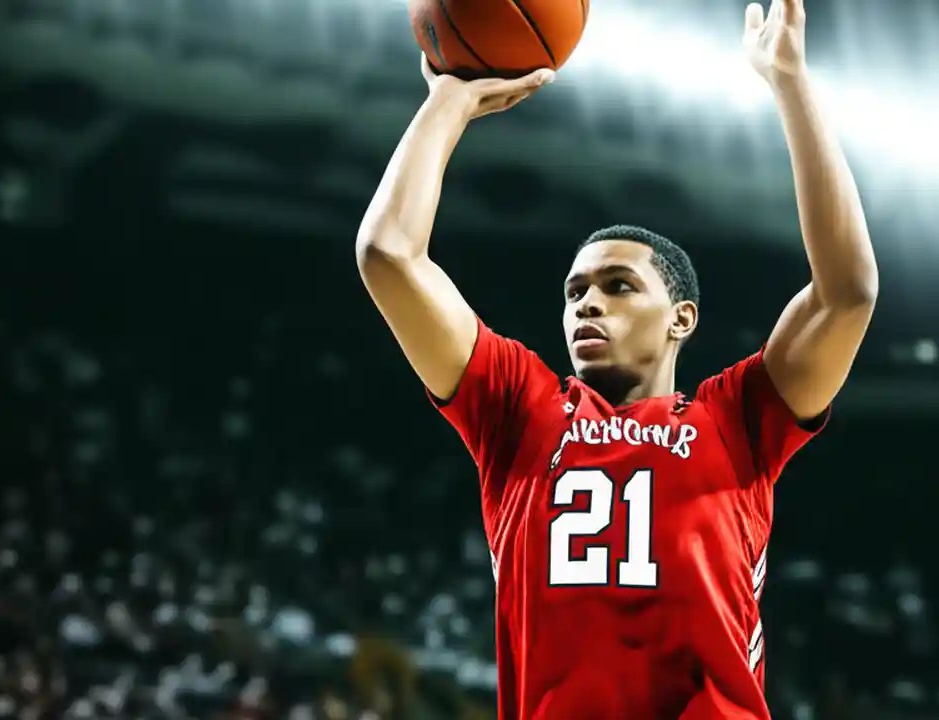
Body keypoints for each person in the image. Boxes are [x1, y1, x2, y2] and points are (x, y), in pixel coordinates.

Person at [355, 0, 876, 716]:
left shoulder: (738, 417)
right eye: (574, 292)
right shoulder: (516, 406)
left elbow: (848, 292)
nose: (586, 305)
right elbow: (388, 255)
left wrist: (790, 82)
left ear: (681, 319)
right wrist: (449, 100)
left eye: (618, 285)